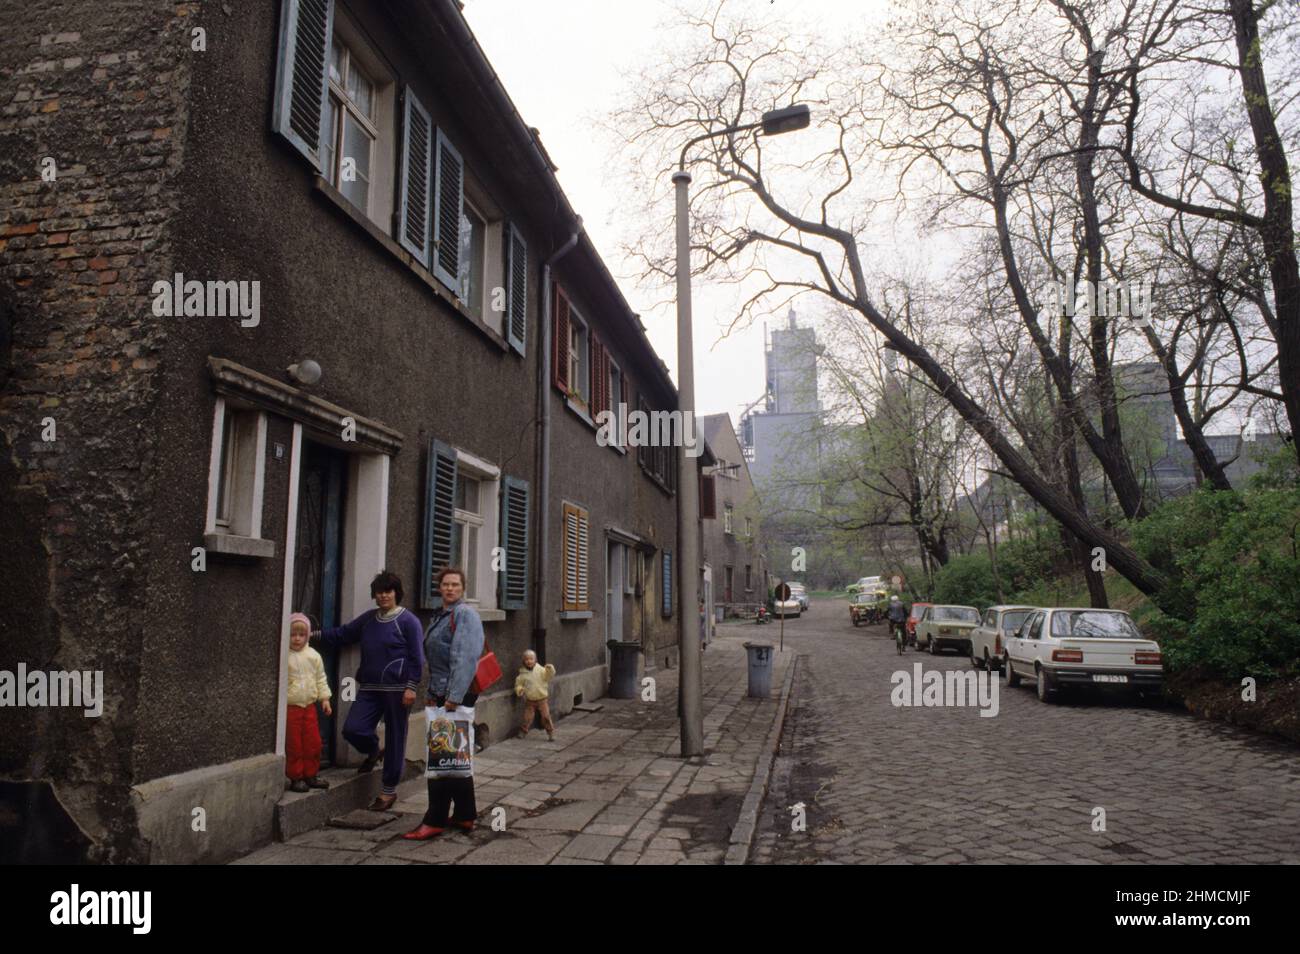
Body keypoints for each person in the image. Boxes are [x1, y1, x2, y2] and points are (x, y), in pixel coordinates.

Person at [312, 571, 424, 811]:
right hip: (370, 688)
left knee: (396, 738)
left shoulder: (408, 621)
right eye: (379, 592)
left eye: (388, 591)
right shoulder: (369, 620)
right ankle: (373, 750)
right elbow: (343, 634)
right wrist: (309, 635)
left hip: (398, 690)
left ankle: (388, 792)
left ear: (397, 593)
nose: (383, 596)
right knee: (353, 729)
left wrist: (411, 686)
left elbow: (417, 657)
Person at [403, 567, 484, 840]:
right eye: (445, 584)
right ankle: (464, 815)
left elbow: (465, 658)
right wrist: (433, 693)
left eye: (455, 584)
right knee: (455, 757)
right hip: (443, 691)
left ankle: (435, 820)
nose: (450, 588)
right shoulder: (442, 616)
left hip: (453, 694)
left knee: (442, 757)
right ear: (439, 588)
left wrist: (453, 697)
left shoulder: (465, 614)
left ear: (463, 588)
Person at [286, 612, 332, 793]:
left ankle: (311, 774)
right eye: (293, 634)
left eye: (301, 635)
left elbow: (321, 678)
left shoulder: (314, 656)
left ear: (308, 636)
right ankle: (296, 777)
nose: (297, 639)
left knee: (313, 742)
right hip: (291, 708)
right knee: (294, 744)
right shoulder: (285, 656)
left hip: (310, 707)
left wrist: (325, 699)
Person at [514, 650, 556, 740]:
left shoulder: (541, 670)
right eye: (526, 659)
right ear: (523, 661)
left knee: (546, 716)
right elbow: (518, 684)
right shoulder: (522, 674)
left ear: (535, 660)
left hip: (542, 699)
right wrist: (519, 690)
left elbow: (548, 676)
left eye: (531, 659)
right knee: (527, 717)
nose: (529, 661)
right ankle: (523, 731)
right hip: (530, 700)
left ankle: (550, 732)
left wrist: (550, 669)